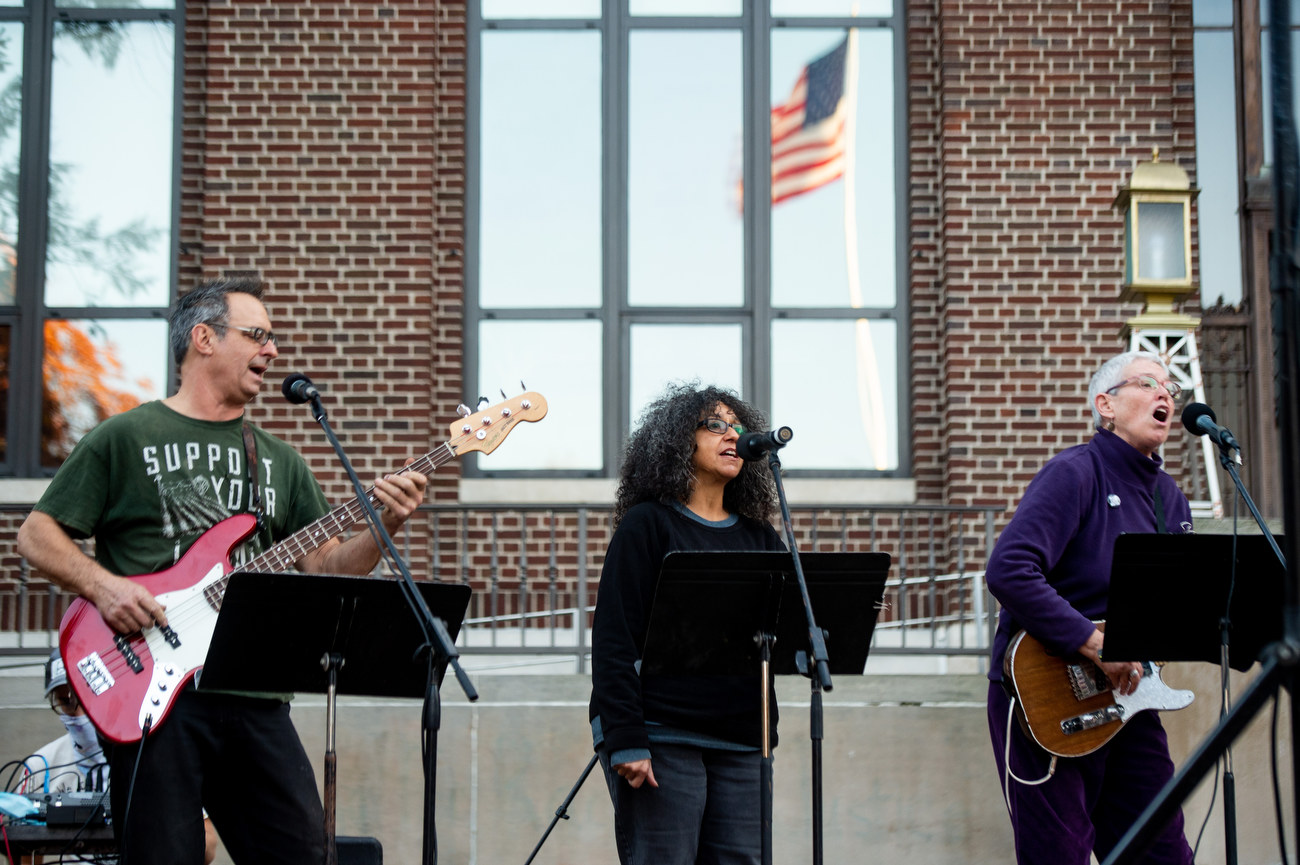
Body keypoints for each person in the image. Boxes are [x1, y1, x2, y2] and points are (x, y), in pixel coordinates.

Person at [16, 277, 429, 865]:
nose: (273, 351)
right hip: (153, 692)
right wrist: (105, 588)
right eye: (258, 335)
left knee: (303, 856)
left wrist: (385, 523)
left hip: (254, 689)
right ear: (204, 339)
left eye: (272, 338)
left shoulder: (280, 460)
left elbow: (328, 566)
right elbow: (36, 535)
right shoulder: (126, 436)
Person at [985, 350, 1196, 865]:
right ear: (1106, 405)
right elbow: (1009, 569)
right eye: (1147, 383)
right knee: (1059, 854)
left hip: (1132, 699)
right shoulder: (1074, 473)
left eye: (1171, 388)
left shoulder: (1171, 500)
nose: (1165, 394)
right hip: (1047, 696)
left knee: (1162, 852)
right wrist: (1096, 644)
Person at [589, 383, 786, 865]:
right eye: (715, 425)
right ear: (679, 440)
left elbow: (787, 631)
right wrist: (625, 737)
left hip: (742, 738)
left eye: (738, 426)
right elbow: (614, 638)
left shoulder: (760, 538)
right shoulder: (648, 525)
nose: (733, 435)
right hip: (661, 733)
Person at [16, 650, 220, 865]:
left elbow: (207, 848)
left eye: (84, 698)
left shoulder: (154, 756)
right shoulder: (40, 765)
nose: (78, 713)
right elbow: (20, 850)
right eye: (65, 702)